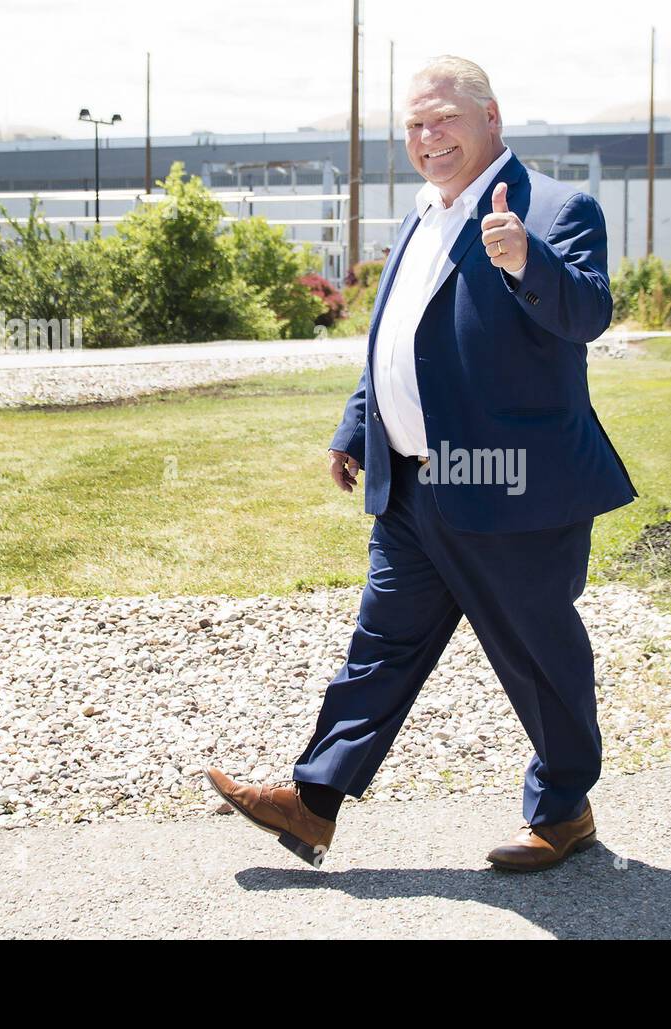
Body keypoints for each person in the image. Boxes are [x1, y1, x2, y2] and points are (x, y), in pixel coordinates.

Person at [205, 55, 636, 872]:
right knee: (381, 645)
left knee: (537, 654)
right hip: (411, 483)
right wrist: (359, 426)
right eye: (415, 125)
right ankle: (314, 800)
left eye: (445, 119)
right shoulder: (423, 214)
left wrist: (526, 261)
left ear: (491, 118)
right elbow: (396, 341)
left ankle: (564, 808)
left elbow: (586, 314)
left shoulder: (556, 206)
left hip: (508, 481)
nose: (429, 137)